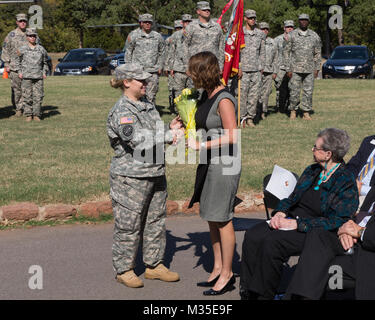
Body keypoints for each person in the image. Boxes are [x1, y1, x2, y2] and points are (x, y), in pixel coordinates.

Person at [240, 128, 359, 300]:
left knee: (273, 243)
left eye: (315, 147)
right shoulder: (312, 171)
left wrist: (299, 224)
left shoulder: (345, 180)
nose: (312, 150)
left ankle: (264, 294)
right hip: (291, 219)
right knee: (254, 235)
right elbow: (292, 197)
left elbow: (338, 220)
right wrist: (280, 211)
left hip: (313, 229)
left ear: (328, 154)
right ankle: (248, 290)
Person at [107, 63, 183, 288]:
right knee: (129, 224)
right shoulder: (122, 111)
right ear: (126, 82)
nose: (146, 83)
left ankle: (154, 265)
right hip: (131, 178)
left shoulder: (147, 105)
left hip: (155, 172)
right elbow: (138, 140)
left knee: (155, 221)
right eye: (140, 80)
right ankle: (124, 269)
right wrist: (170, 135)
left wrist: (169, 126)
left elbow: (154, 132)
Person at [187, 51, 241, 296]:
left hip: (225, 164)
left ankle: (228, 273)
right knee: (211, 216)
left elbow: (232, 135)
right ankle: (218, 266)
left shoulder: (224, 99)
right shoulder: (207, 95)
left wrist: (201, 145)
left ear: (203, 72)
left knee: (223, 217)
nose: (189, 75)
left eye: (192, 71)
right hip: (209, 163)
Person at [285, 206, 375, 300]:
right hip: (355, 241)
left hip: (367, 254)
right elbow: (360, 216)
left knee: (313, 265)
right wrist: (345, 230)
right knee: (317, 235)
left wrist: (360, 232)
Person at [284, 14, 321, 120]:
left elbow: (317, 53)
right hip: (295, 69)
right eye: (301, 20)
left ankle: (306, 112)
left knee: (308, 91)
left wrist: (317, 68)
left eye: (306, 20)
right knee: (294, 91)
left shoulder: (314, 36)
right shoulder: (292, 35)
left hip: (309, 69)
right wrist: (288, 68)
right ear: (298, 21)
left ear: (308, 22)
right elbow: (286, 52)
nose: (303, 22)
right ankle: (293, 111)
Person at [1, 13, 37, 117]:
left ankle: (28, 109)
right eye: (20, 21)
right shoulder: (11, 35)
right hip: (15, 67)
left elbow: (38, 48)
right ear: (17, 22)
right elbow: (5, 50)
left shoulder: (31, 34)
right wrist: (7, 64)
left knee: (29, 89)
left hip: (29, 67)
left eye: (24, 21)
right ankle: (18, 108)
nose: (22, 23)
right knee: (17, 90)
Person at [124, 14, 165, 104]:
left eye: (149, 22)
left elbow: (162, 52)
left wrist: (160, 66)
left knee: (151, 95)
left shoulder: (157, 36)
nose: (147, 24)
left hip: (152, 71)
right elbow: (128, 52)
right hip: (137, 71)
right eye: (145, 22)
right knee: (137, 94)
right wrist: (129, 67)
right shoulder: (134, 35)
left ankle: (150, 114)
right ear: (140, 23)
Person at [238, 9, 265, 128]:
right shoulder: (240, 33)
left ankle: (250, 118)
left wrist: (261, 67)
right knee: (242, 95)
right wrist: (238, 67)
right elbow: (236, 52)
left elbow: (262, 52)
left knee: (254, 96)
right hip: (242, 70)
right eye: (250, 18)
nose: (252, 20)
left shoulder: (260, 34)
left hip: (256, 70)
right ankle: (241, 118)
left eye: (254, 18)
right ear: (245, 19)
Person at [16, 28, 48, 122]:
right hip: (26, 76)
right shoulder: (22, 49)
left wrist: (44, 72)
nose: (32, 37)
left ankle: (37, 114)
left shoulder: (41, 49)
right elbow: (18, 61)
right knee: (27, 96)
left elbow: (45, 62)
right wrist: (19, 72)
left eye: (34, 36)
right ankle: (28, 114)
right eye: (30, 36)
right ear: (27, 37)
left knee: (38, 96)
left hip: (38, 76)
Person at [183, 2, 225, 73]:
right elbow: (184, 47)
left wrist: (220, 66)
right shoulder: (191, 27)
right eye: (204, 10)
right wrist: (187, 66)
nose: (207, 11)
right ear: (198, 11)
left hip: (212, 66)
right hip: (196, 66)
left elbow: (221, 47)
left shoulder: (217, 27)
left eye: (208, 9)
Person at [165, 14, 193, 99]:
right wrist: (169, 67)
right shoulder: (176, 35)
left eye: (189, 21)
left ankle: (190, 112)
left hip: (192, 68)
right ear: (182, 22)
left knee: (192, 93)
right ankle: (179, 112)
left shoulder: (196, 34)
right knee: (178, 93)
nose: (187, 23)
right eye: (185, 22)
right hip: (178, 68)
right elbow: (171, 52)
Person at [346, 134, 375, 211]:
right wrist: (351, 181)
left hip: (369, 196)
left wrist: (361, 189)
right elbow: (352, 165)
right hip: (352, 186)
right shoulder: (369, 141)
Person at [274, 20, 294, 113]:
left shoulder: (296, 38)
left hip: (293, 67)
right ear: (284, 28)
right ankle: (279, 107)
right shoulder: (277, 40)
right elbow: (274, 54)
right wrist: (275, 69)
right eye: (288, 27)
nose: (290, 28)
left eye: (291, 27)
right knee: (280, 89)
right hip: (281, 68)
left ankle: (290, 107)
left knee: (292, 88)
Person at [258, 22, 278, 120]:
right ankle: (255, 111)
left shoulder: (272, 42)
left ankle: (263, 111)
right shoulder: (256, 39)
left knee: (266, 93)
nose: (265, 31)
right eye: (263, 29)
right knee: (256, 92)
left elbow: (276, 57)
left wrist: (275, 71)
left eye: (266, 29)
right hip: (257, 71)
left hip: (269, 71)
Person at [164, 19, 183, 113]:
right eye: (177, 28)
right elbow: (167, 54)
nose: (179, 29)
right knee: (172, 88)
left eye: (180, 28)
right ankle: (172, 106)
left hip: (180, 67)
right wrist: (167, 67)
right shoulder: (169, 39)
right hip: (172, 66)